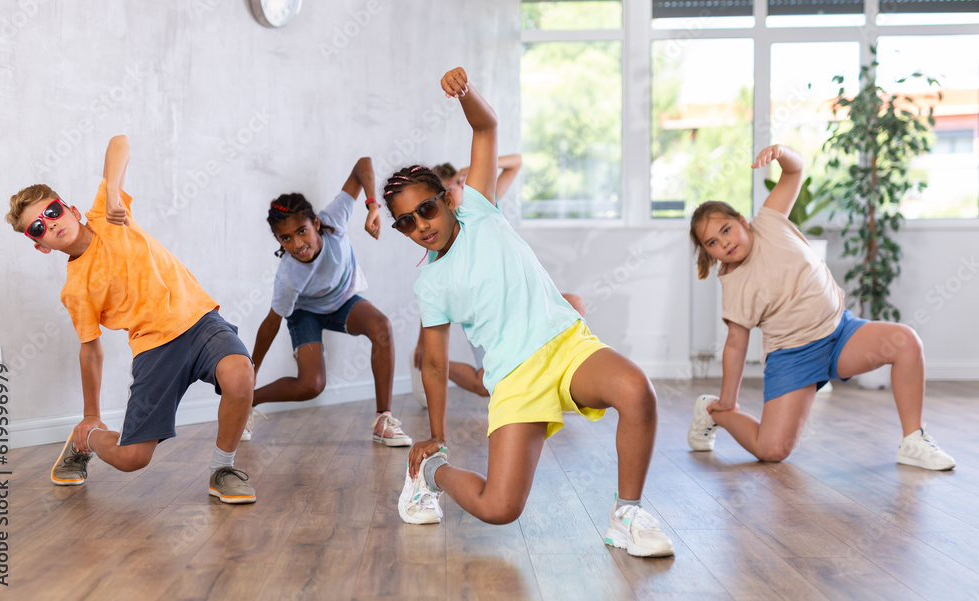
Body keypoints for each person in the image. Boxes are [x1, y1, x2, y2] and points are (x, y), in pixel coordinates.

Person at [387, 67, 673, 558]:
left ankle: (627, 515)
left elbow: (486, 128)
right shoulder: (429, 282)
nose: (420, 225)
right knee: (500, 508)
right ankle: (428, 474)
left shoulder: (478, 208)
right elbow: (434, 364)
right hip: (515, 378)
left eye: (427, 210)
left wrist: (466, 93)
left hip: (566, 344)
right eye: (405, 223)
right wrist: (436, 437)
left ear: (447, 198)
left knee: (636, 391)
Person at [5, 135, 257, 503]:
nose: (50, 223)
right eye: (38, 228)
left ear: (71, 209)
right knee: (131, 458)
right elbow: (90, 350)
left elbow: (119, 142)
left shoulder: (107, 218)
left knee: (240, 375)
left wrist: (111, 195)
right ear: (41, 245)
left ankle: (223, 469)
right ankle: (84, 439)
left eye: (52, 211)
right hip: (155, 348)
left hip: (200, 320)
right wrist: (92, 416)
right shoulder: (76, 289)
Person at [687, 144, 955, 471]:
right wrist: (727, 402)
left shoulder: (769, 221)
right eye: (712, 242)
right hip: (794, 357)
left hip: (840, 333)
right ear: (708, 253)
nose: (724, 242)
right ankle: (712, 412)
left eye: (726, 230)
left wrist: (782, 153)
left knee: (905, 341)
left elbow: (795, 171)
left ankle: (914, 440)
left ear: (743, 221)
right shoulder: (734, 284)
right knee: (771, 450)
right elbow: (735, 344)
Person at [247, 157, 411, 447]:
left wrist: (373, 204)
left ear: (317, 223)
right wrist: (249, 374)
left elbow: (362, 165)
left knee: (382, 327)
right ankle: (248, 400)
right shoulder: (289, 275)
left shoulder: (335, 218)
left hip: (342, 303)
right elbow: (271, 324)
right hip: (305, 314)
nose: (297, 244)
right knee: (312, 385)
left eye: (302, 232)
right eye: (285, 238)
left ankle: (383, 420)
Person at [409, 157, 586, 401]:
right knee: (485, 386)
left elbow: (515, 162)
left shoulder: (480, 208)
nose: (450, 194)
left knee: (574, 303)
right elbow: (432, 298)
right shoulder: (437, 241)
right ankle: (443, 366)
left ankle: (554, 380)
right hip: (485, 319)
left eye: (454, 187)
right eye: (441, 194)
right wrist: (426, 350)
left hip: (518, 308)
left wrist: (467, 169)